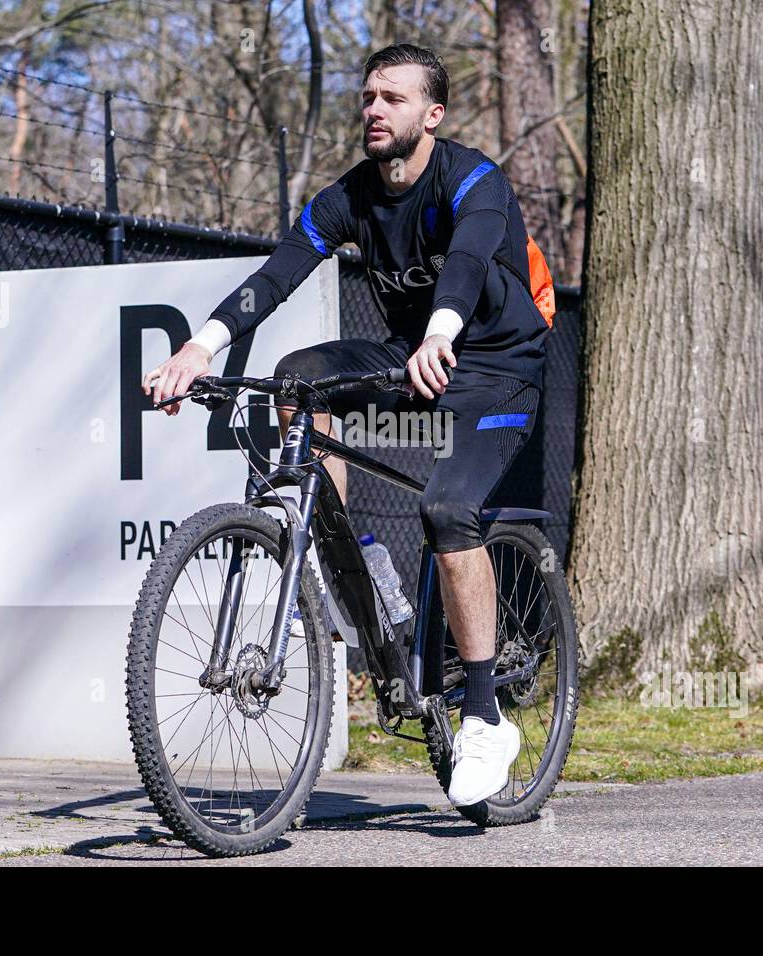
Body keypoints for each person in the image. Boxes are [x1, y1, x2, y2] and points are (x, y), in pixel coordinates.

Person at [142, 43, 548, 807]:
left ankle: (487, 715)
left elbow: (464, 261)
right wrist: (198, 348)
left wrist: (442, 331)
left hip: (496, 367)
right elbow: (276, 275)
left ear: (432, 114)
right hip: (409, 358)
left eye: (392, 99)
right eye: (367, 97)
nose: (372, 110)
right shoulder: (348, 197)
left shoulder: (474, 179)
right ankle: (350, 557)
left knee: (448, 511)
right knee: (297, 374)